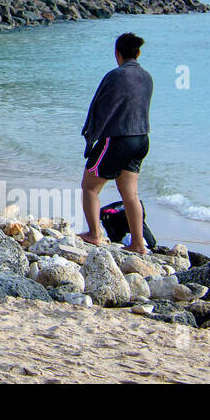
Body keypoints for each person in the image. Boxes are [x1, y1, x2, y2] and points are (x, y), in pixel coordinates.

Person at [79, 33, 154, 254]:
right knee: (130, 194)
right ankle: (138, 244)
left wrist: (92, 139)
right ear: (138, 53)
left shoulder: (115, 76)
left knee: (90, 187)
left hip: (118, 139)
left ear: (117, 53)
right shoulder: (147, 77)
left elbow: (100, 109)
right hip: (141, 139)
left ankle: (94, 235)